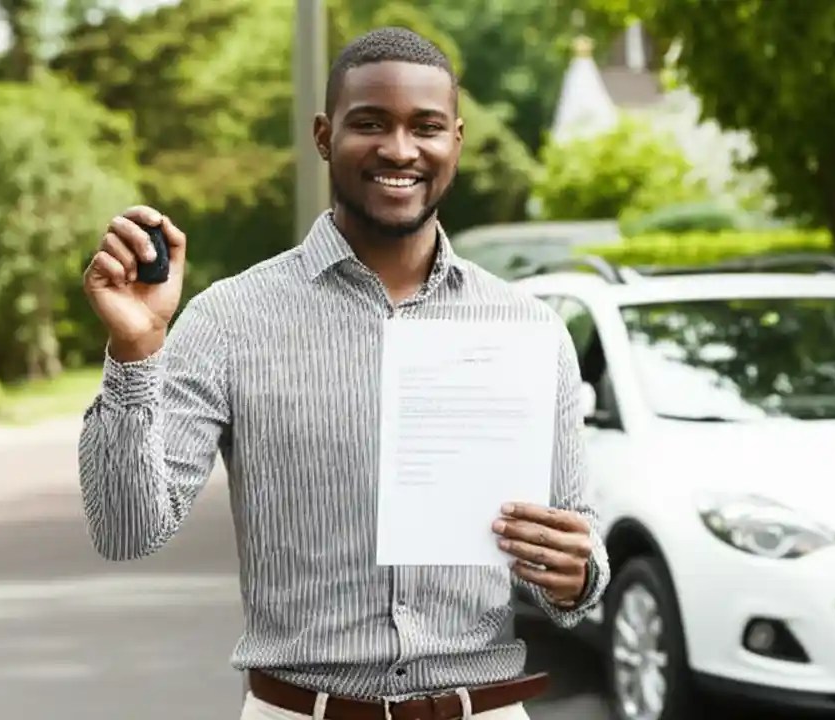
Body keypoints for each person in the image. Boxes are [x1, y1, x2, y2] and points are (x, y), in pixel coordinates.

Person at [77, 26, 610, 720]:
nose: (399, 149)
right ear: (325, 136)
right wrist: (136, 352)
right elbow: (124, 531)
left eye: (425, 127)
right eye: (370, 124)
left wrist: (579, 575)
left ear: (457, 139)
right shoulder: (230, 319)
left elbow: (574, 548)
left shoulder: (529, 329)